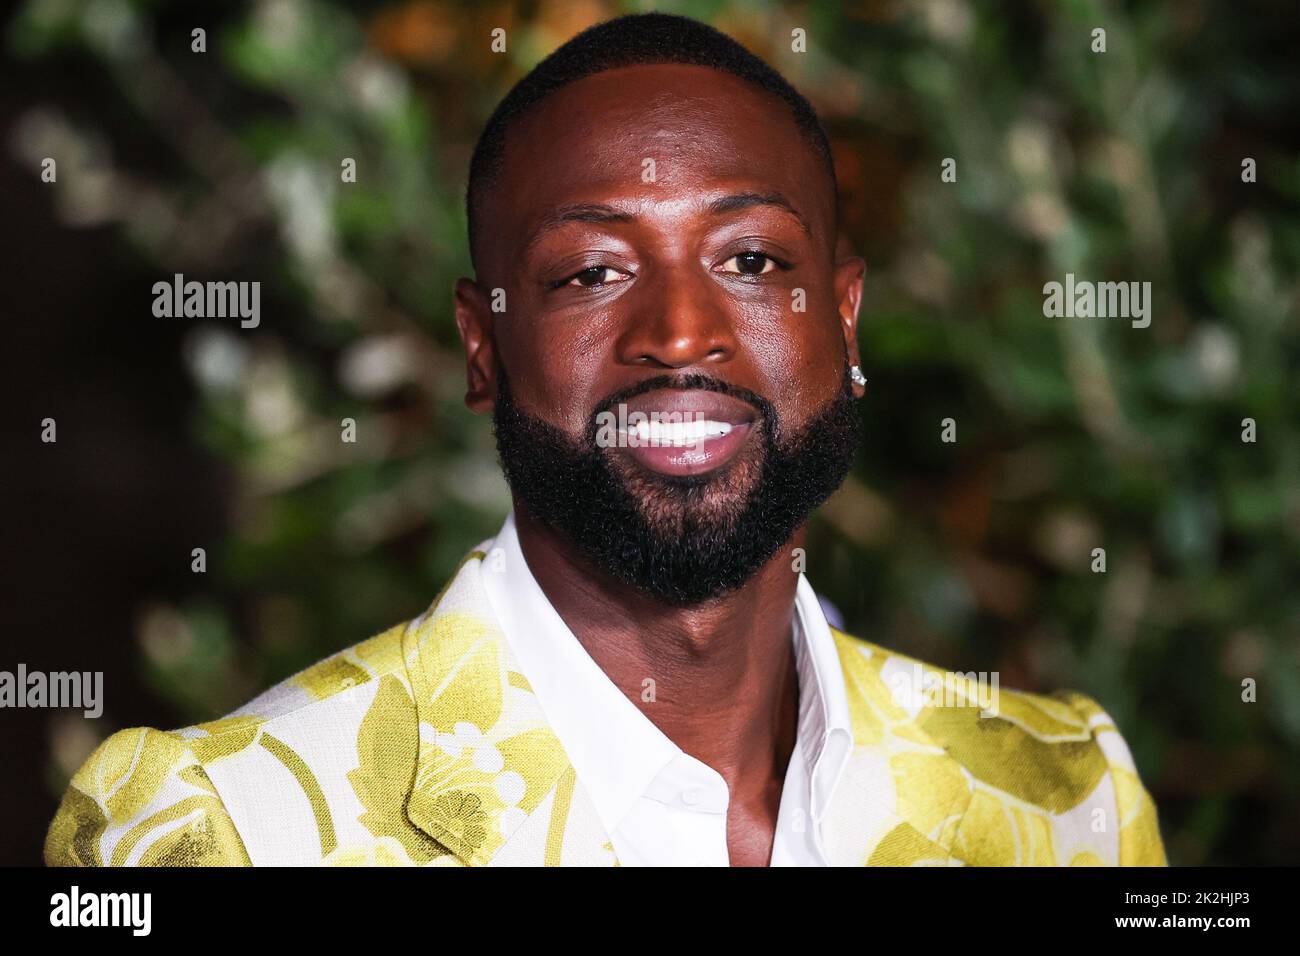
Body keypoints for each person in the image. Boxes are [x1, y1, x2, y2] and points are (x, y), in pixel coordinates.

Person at [44, 11, 1166, 867]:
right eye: (590, 272)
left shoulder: (1062, 797)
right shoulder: (221, 825)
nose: (681, 332)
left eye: (753, 260)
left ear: (843, 317)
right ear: (481, 348)